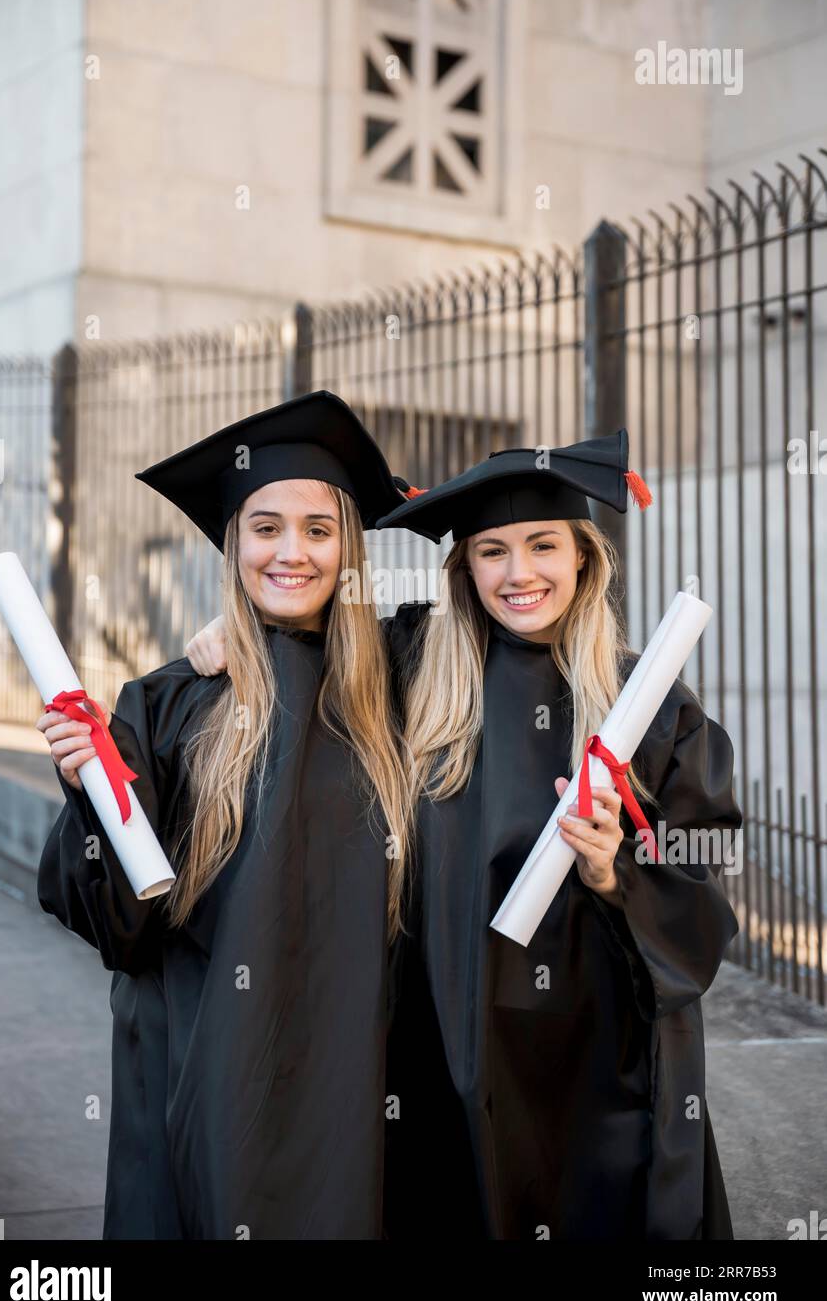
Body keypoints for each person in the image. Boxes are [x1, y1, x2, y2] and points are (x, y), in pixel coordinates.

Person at [187, 428, 742, 1241]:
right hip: (434, 1038)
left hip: (590, 1056)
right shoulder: (411, 665)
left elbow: (700, 887)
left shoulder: (648, 706)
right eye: (491, 552)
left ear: (582, 558)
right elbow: (302, 633)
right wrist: (225, 634)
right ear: (463, 568)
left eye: (542, 545)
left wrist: (611, 869)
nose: (519, 574)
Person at [36, 390, 415, 1240]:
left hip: (354, 1088)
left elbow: (502, 603)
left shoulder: (400, 692)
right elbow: (118, 930)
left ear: (348, 551)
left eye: (319, 531)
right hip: (199, 1080)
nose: (292, 552)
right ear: (232, 544)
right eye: (265, 527)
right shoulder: (168, 703)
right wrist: (90, 794)